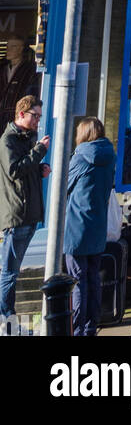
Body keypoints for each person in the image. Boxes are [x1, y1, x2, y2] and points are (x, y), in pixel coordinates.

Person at [63, 117, 116, 337]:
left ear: (83, 134)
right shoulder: (110, 155)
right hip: (97, 225)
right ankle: (91, 327)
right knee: (94, 277)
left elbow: (64, 187)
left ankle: (78, 330)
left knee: (78, 281)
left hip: (76, 226)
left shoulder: (80, 157)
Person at [0, 95, 50, 319]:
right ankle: (6, 317)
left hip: (29, 213)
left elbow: (26, 171)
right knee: (9, 272)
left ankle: (7, 315)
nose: (38, 120)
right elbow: (13, 171)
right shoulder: (8, 140)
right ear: (21, 114)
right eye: (35, 116)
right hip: (16, 215)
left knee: (12, 270)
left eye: (39, 116)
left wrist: (41, 169)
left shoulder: (26, 138)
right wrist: (38, 151)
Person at [0, 37, 39, 130]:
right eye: (7, 46)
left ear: (21, 49)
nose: (8, 50)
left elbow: (31, 93)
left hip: (17, 117)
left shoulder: (30, 70)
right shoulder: (2, 68)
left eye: (13, 46)